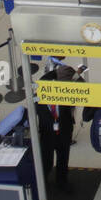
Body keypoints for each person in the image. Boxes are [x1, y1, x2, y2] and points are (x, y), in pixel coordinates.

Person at [35, 64, 78, 192]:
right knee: (46, 161)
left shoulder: (65, 94)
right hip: (47, 135)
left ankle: (62, 182)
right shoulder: (38, 97)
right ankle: (44, 183)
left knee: (63, 161)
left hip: (64, 133)